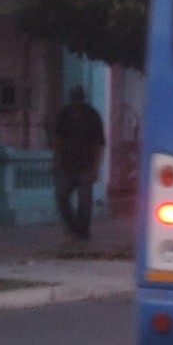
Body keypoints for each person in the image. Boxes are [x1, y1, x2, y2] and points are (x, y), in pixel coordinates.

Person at [52, 85, 105, 242]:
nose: (76, 102)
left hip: (85, 164)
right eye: (74, 98)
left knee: (84, 202)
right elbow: (58, 139)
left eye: (78, 98)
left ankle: (82, 232)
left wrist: (95, 167)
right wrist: (57, 160)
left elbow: (99, 144)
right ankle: (73, 227)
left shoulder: (92, 116)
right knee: (61, 197)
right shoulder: (64, 115)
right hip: (66, 164)